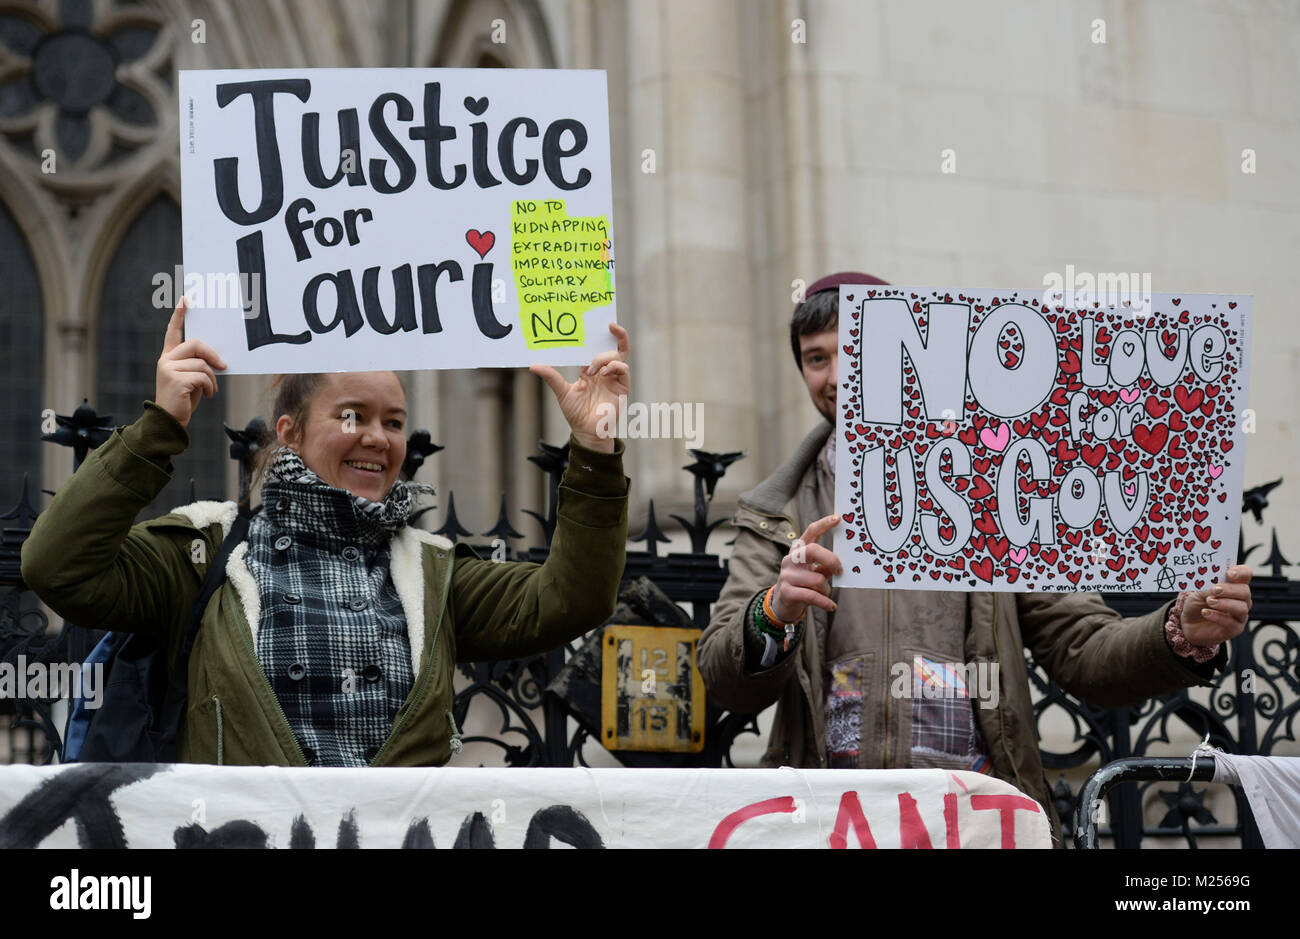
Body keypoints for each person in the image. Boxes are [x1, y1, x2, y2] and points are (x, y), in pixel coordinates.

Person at [697, 272, 1254, 843]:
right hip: (826, 824)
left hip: (974, 825)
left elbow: (1083, 649)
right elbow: (723, 678)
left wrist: (1177, 632)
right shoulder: (775, 513)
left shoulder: (996, 486)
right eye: (816, 359)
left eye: (855, 350)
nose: (836, 376)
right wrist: (775, 613)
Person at [22, 299, 632, 768]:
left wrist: (595, 449)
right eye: (352, 416)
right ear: (288, 431)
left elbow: (573, 598)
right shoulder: (205, 552)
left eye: (393, 422)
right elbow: (56, 567)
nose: (378, 437)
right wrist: (160, 426)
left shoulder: (434, 573)